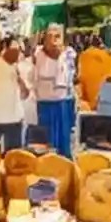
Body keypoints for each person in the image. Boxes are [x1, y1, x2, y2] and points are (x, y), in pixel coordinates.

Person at [33, 24, 77, 158]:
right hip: (44, 102)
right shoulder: (38, 53)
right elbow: (38, 73)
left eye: (57, 36)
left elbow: (69, 76)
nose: (53, 40)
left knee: (63, 141)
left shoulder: (68, 53)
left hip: (62, 101)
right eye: (50, 36)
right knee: (45, 141)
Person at [0, 38, 30, 150]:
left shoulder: (18, 68)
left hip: (14, 119)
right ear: (5, 49)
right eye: (15, 50)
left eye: (19, 50)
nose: (17, 53)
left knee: (14, 158)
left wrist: (21, 82)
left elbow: (25, 94)